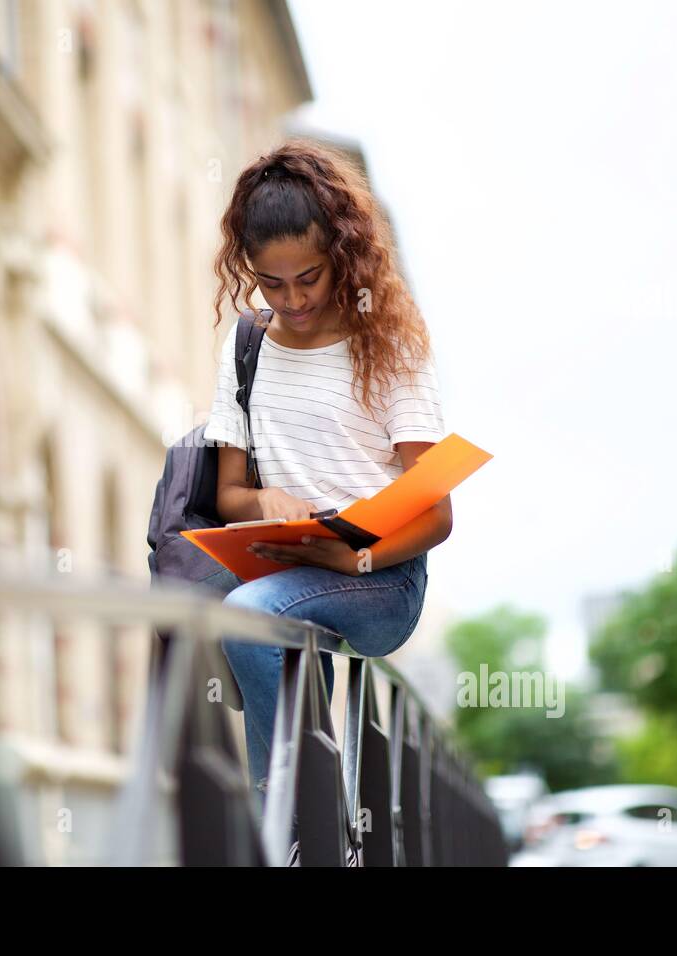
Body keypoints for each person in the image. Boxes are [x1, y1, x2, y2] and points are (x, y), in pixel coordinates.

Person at [199, 139, 454, 832]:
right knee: (253, 618)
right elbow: (227, 494)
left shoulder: (391, 340)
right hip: (286, 568)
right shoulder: (247, 344)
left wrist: (350, 555)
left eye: (308, 277)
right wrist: (265, 503)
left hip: (381, 579)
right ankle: (291, 830)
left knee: (248, 617)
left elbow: (436, 512)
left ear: (341, 254)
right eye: (271, 283)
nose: (293, 299)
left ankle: (307, 822)